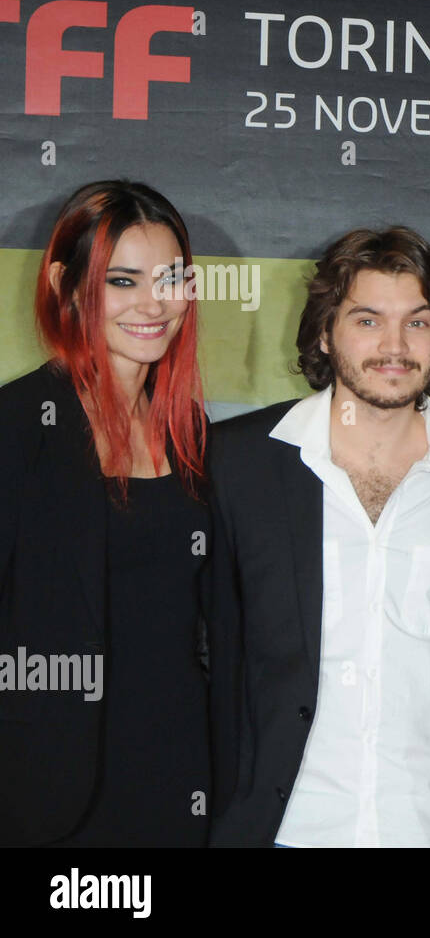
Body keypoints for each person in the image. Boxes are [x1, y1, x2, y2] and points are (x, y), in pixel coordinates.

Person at [206, 226, 430, 847]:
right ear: (326, 331)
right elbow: (203, 644)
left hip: (428, 829)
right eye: (368, 320)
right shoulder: (235, 465)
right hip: (281, 830)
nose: (395, 346)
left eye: (418, 322)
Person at [0, 180, 210, 846]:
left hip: (180, 781)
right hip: (47, 797)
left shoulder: (194, 435)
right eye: (123, 280)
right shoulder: (15, 426)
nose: (154, 303)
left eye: (170, 278)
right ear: (66, 284)